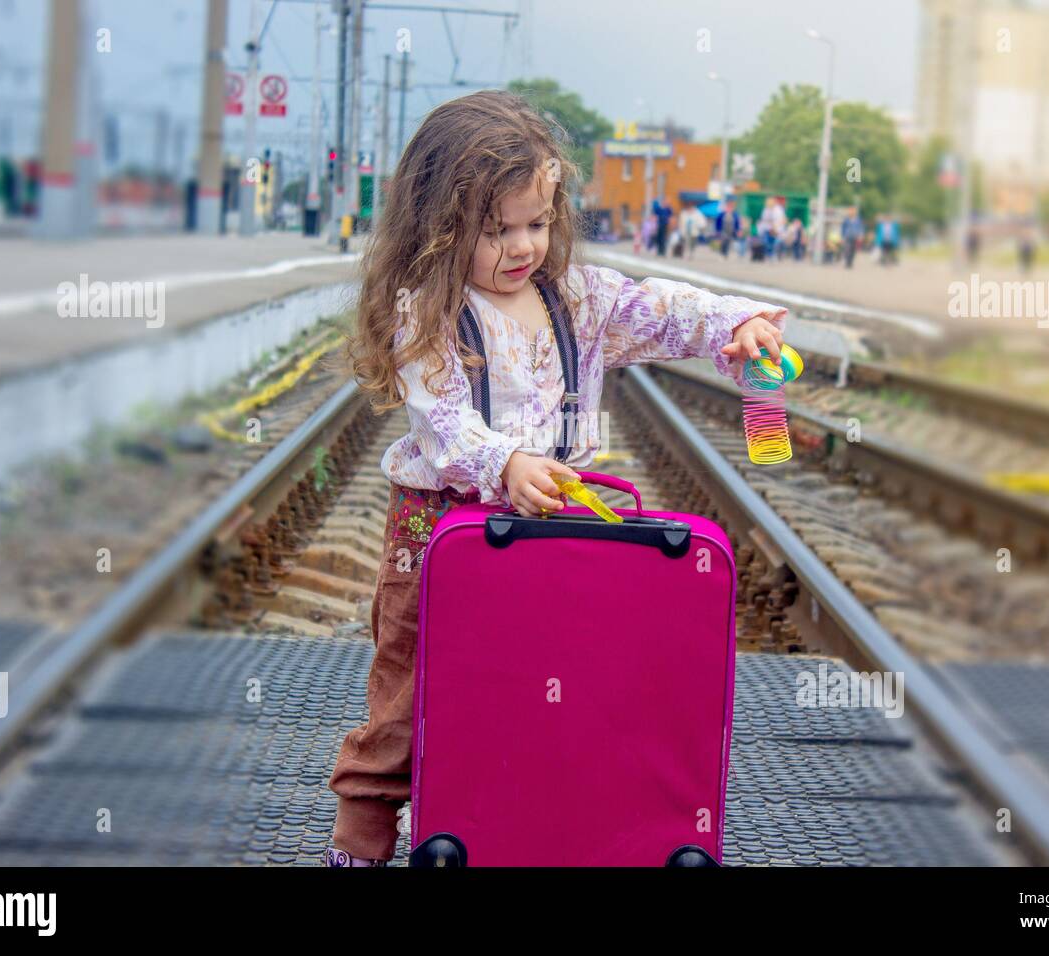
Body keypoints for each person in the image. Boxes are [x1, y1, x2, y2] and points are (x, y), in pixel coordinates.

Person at [326, 89, 788, 867]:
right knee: (411, 692)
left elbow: (665, 310)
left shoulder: (577, 301)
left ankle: (527, 821)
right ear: (438, 229)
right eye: (495, 229)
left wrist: (735, 322)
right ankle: (361, 838)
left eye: (537, 223)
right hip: (442, 528)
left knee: (551, 681)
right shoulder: (429, 312)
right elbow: (444, 421)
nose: (521, 246)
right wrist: (503, 463)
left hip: (552, 532)